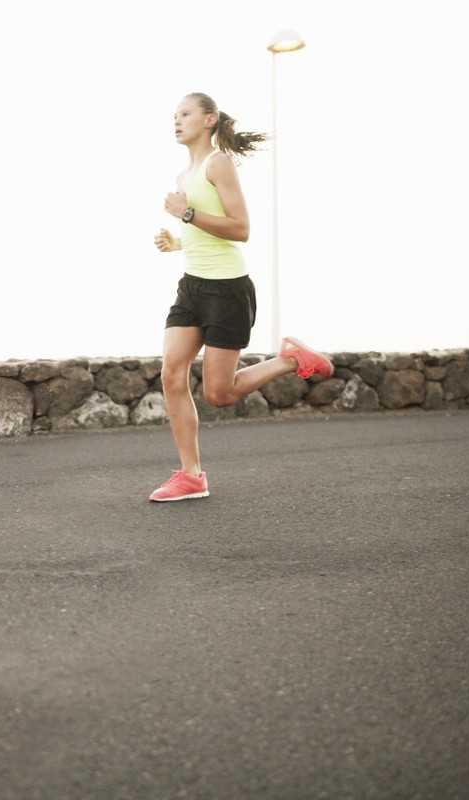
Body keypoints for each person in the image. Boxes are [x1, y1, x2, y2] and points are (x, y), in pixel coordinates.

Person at [149, 91, 332, 502]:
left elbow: (240, 228)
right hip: (192, 287)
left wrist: (186, 214)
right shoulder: (185, 174)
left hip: (227, 290)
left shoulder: (218, 164)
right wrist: (178, 241)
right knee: (171, 374)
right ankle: (192, 475)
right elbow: (203, 233)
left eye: (185, 114)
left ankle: (289, 359)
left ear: (210, 120)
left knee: (220, 394)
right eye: (174, 115)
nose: (176, 121)